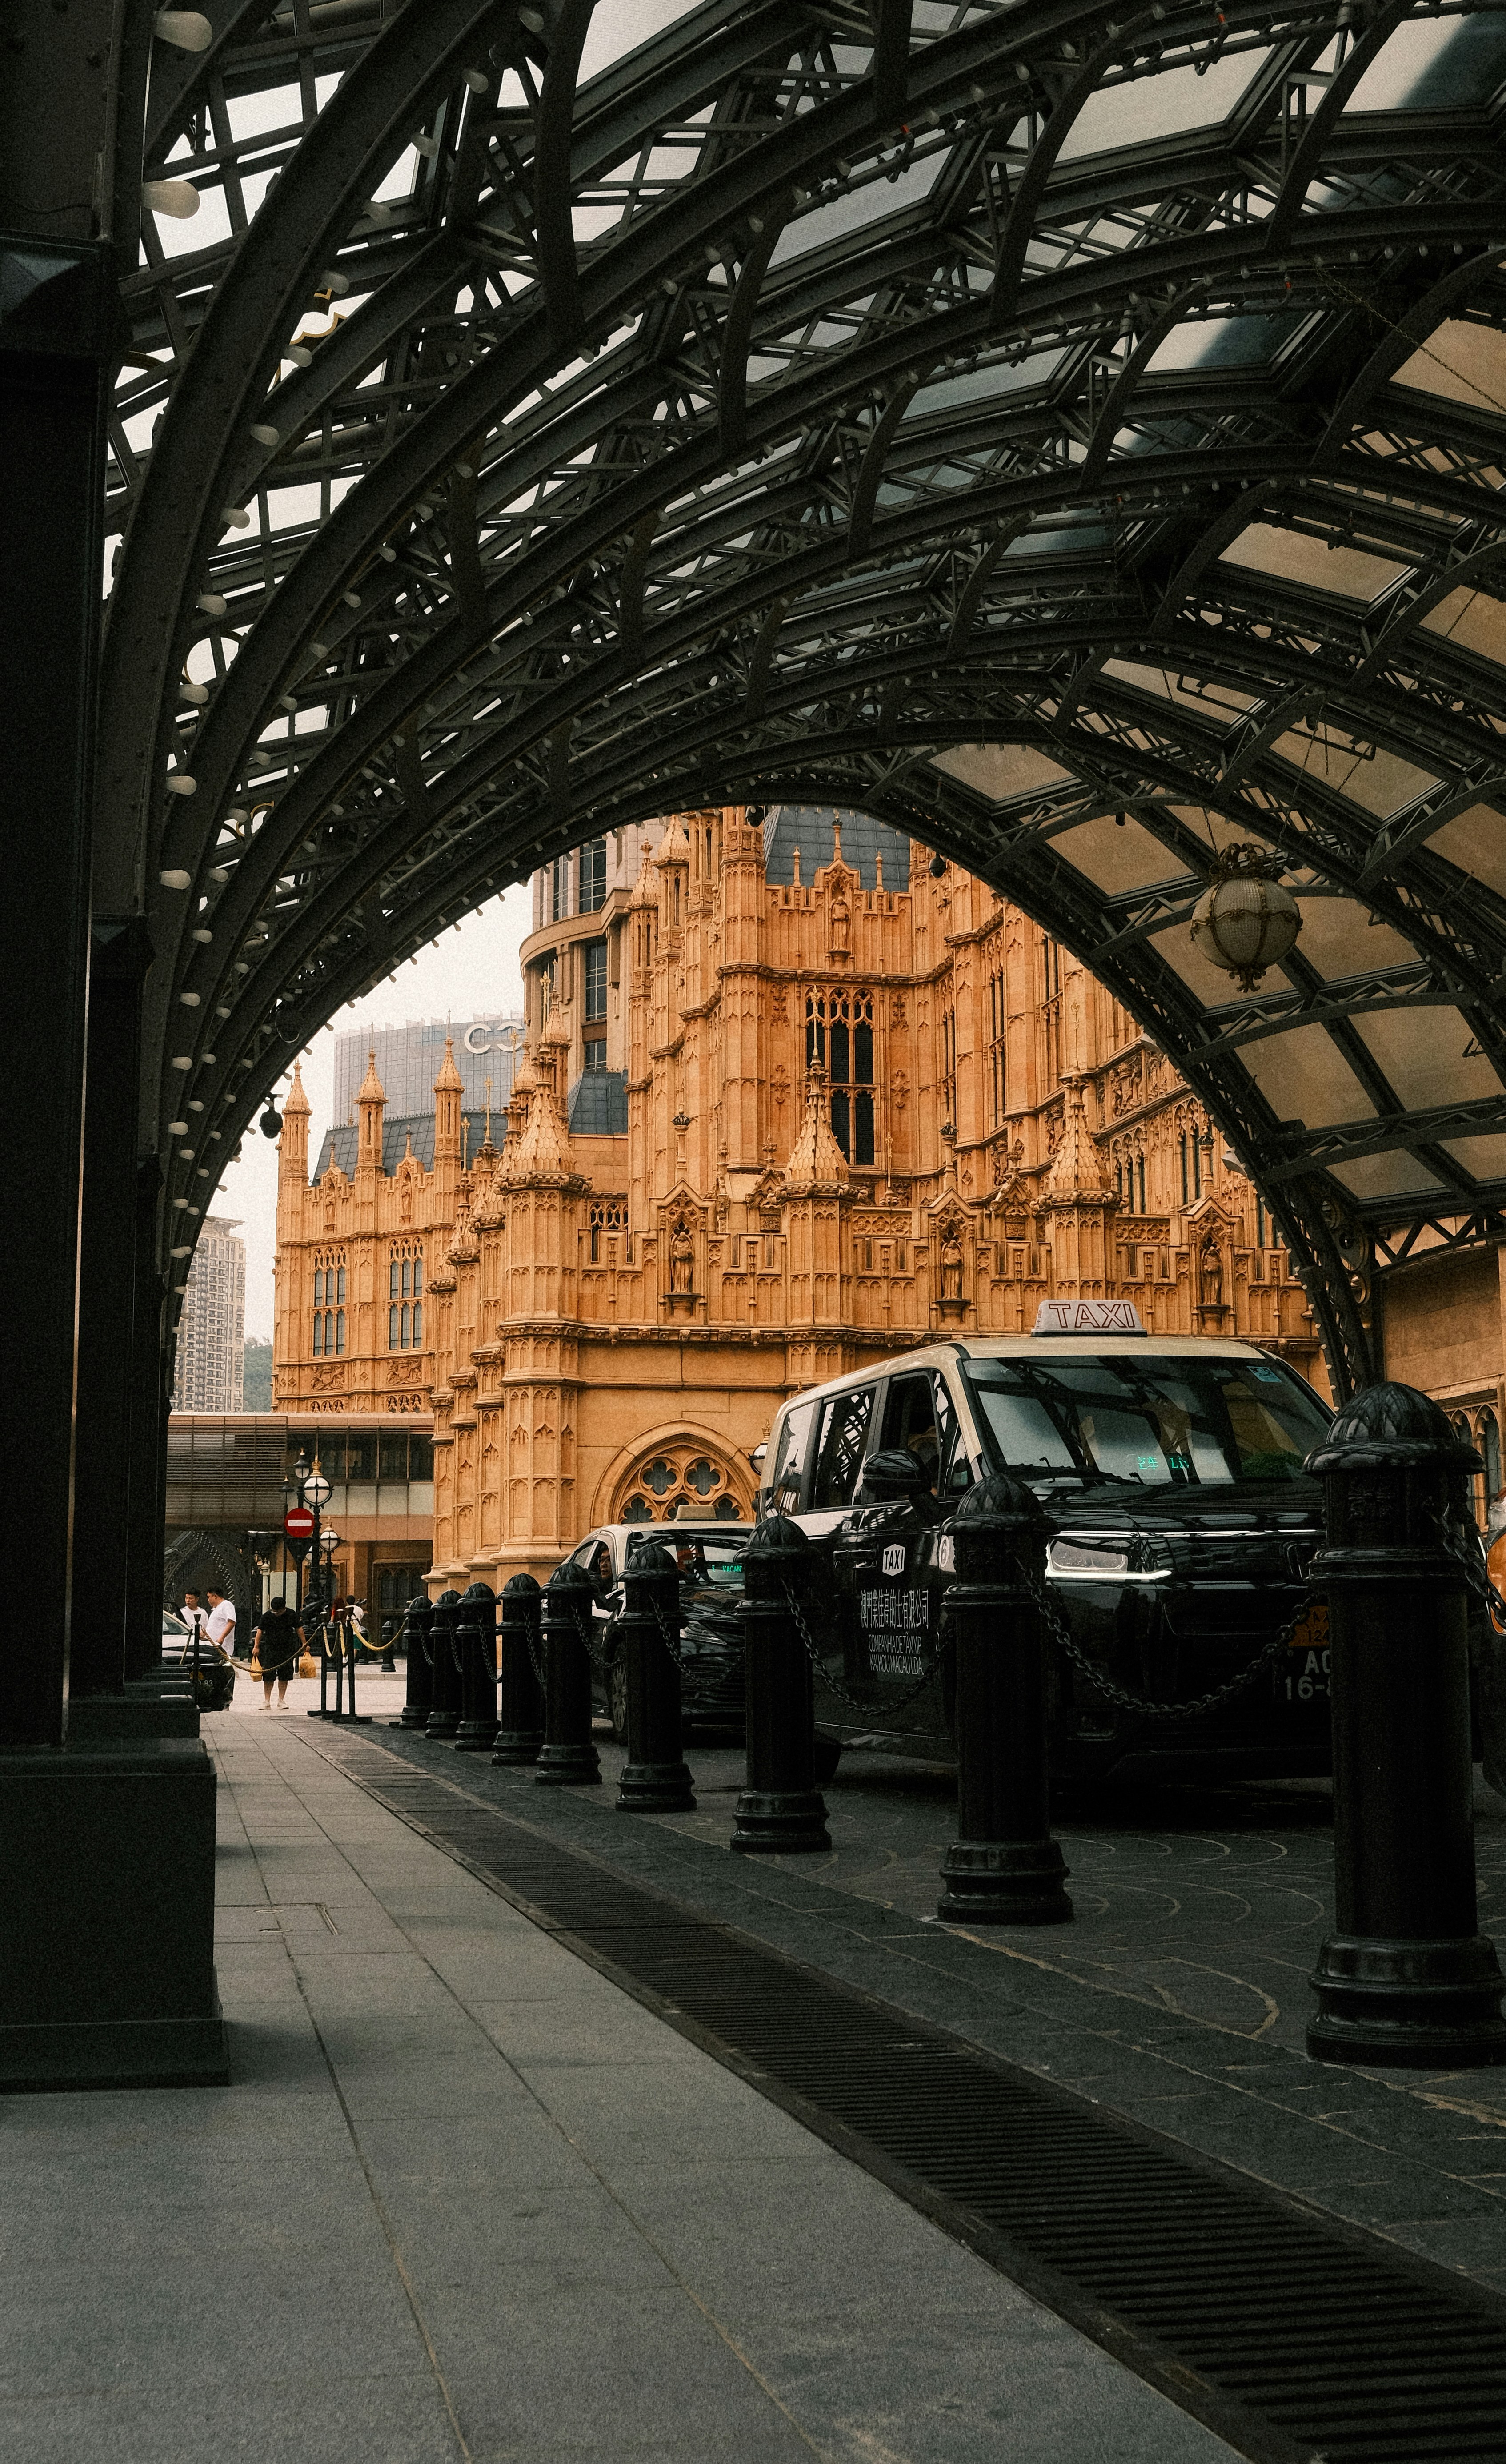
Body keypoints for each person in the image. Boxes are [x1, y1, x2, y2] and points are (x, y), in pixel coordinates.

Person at [253, 1597, 304, 1709]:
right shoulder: (267, 1616)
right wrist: (256, 1647)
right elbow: (260, 1631)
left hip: (287, 1649)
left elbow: (299, 1629)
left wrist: (305, 1643)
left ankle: (281, 1700)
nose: (275, 1614)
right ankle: (267, 1701)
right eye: (274, 1612)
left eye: (278, 1612)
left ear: (284, 1609)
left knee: (285, 1675)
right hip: (271, 1649)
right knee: (268, 1675)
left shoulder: (291, 1614)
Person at [204, 1584, 237, 1661]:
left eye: (209, 1597)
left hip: (222, 1647)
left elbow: (232, 1622)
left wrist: (222, 1638)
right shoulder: (216, 1609)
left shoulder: (227, 1605)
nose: (208, 1600)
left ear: (215, 1596)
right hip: (213, 1647)